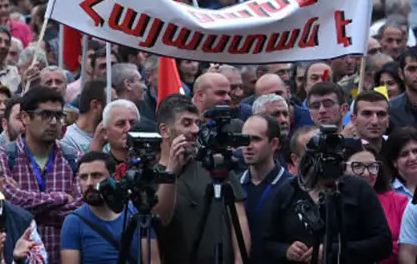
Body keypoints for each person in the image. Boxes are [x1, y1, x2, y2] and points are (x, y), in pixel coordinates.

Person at [262, 127, 392, 264]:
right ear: (295, 159)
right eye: (314, 154)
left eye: (327, 152)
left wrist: (333, 251)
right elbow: (266, 244)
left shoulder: (358, 189)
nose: (322, 159)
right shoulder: (286, 192)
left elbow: (383, 244)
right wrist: (286, 250)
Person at [0, 85, 83, 264]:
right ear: (25, 117)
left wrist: (25, 211)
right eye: (46, 115)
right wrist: (61, 197)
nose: (54, 122)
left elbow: (78, 211)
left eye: (58, 115)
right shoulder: (0, 157)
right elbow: (4, 201)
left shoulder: (75, 158)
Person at [155, 94, 250, 264]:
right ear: (165, 130)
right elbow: (161, 219)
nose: (195, 130)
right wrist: (171, 171)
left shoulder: (214, 164)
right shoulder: (152, 174)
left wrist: (240, 260)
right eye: (186, 123)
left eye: (197, 123)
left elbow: (239, 217)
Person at [61, 150, 158, 264]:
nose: (89, 183)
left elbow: (153, 260)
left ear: (114, 178)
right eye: (83, 177)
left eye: (96, 175)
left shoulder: (136, 212)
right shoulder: (74, 221)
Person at [239, 115, 291, 263]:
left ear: (274, 143)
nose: (248, 146)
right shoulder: (233, 184)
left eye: (255, 139)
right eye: (244, 139)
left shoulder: (292, 186)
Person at [343, 144, 407, 264]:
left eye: (372, 166)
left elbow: (408, 246)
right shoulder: (332, 201)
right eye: (357, 166)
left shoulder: (399, 202)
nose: (367, 173)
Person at [62, 80, 109, 153]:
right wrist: (98, 142)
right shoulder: (67, 139)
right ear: (95, 106)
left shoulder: (112, 135)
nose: (116, 108)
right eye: (112, 103)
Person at [382, 127, 417, 199]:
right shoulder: (388, 191)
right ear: (394, 162)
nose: (412, 158)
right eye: (404, 154)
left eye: (415, 151)